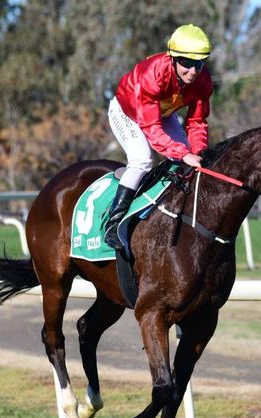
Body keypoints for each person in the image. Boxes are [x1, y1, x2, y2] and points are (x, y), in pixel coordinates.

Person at [104, 24, 213, 249]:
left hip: (162, 113)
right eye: (187, 63)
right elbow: (151, 127)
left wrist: (198, 153)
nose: (193, 71)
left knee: (192, 161)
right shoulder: (152, 74)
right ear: (172, 58)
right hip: (129, 112)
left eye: (199, 63)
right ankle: (113, 224)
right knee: (142, 159)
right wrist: (183, 154)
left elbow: (197, 122)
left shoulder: (202, 81)